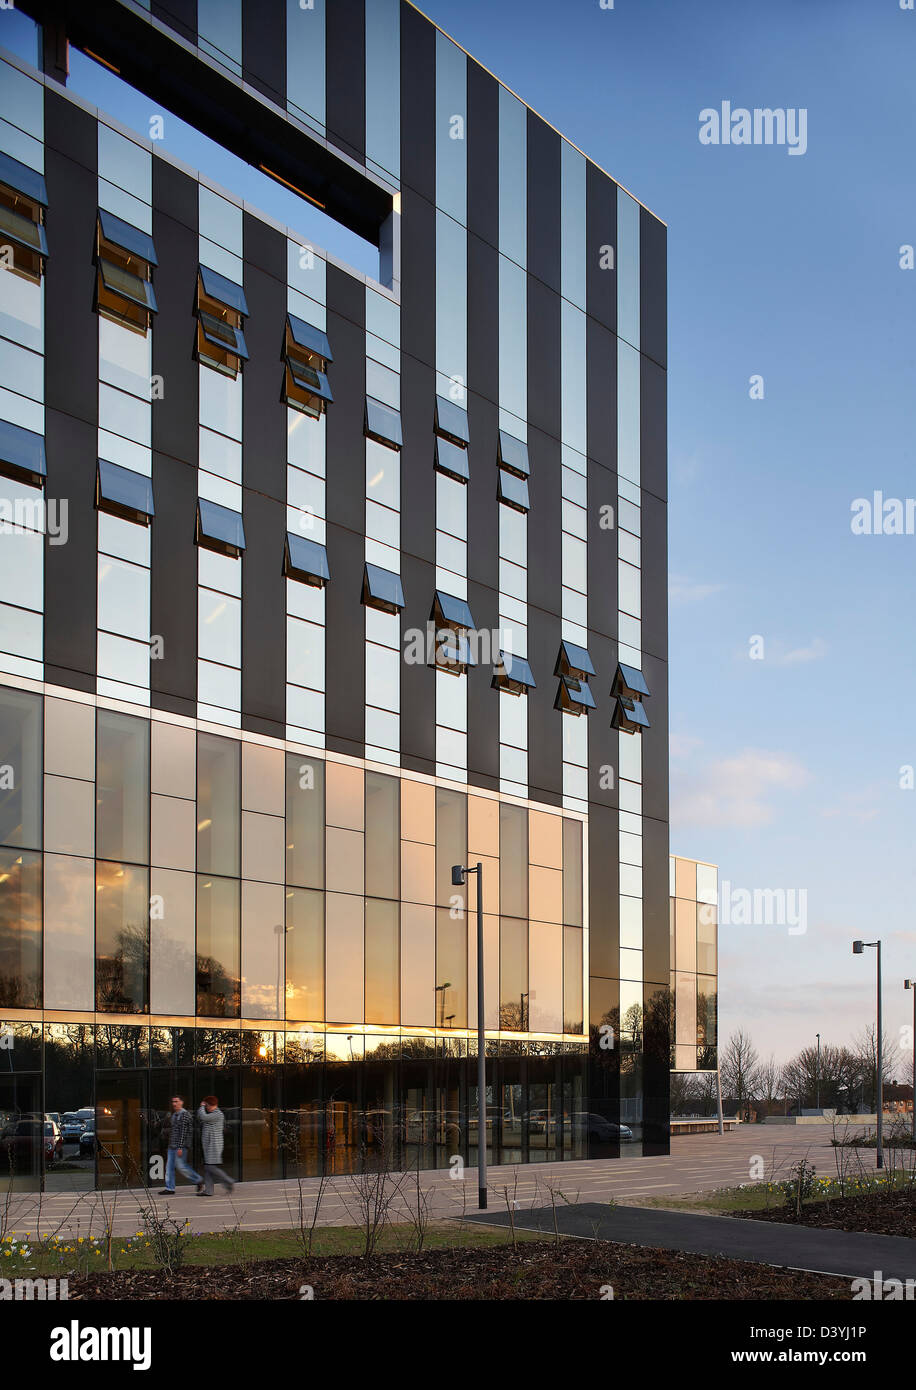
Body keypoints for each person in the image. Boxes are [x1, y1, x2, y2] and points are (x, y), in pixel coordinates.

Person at [162, 1095, 203, 1194]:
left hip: (180, 1146)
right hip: (172, 1146)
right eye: (173, 1102)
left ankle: (198, 1180)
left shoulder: (184, 1115)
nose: (174, 1104)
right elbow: (173, 1131)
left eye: (176, 1101)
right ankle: (170, 1188)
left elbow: (183, 1132)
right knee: (169, 1167)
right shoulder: (174, 1115)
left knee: (181, 1166)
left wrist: (180, 1147)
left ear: (182, 1102)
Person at [197, 1095, 235, 1196]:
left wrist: (201, 1107)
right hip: (209, 1145)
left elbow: (203, 1117)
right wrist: (202, 1109)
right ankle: (209, 1191)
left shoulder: (218, 1114)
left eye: (207, 1106)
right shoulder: (211, 1114)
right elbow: (200, 1117)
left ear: (210, 1105)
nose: (206, 1108)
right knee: (208, 1167)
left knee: (210, 1167)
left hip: (214, 1145)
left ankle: (228, 1180)